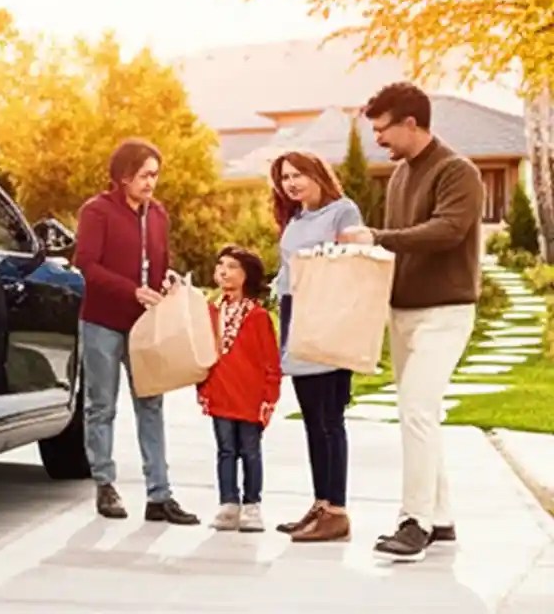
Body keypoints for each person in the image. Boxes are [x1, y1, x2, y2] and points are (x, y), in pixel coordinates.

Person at [339, 82, 484, 563]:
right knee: (422, 414)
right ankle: (440, 517)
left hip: (445, 312)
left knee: (417, 411)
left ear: (410, 123)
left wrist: (377, 236)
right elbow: (402, 245)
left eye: (382, 129)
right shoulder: (400, 176)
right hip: (403, 311)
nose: (377, 138)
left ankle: (413, 521)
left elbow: (446, 231)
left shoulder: (457, 171)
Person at [73, 138, 200, 524]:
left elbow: (160, 262)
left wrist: (168, 281)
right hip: (102, 323)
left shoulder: (158, 214)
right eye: (144, 175)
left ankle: (159, 496)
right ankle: (105, 484)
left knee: (151, 404)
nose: (151, 183)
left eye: (155, 175)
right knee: (102, 406)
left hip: (146, 326)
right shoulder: (96, 212)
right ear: (123, 176)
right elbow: (86, 265)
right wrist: (131, 290)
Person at [270, 151, 365, 543]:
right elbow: (288, 269)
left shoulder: (343, 212)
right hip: (296, 313)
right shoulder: (295, 218)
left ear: (318, 174)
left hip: (327, 314)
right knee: (312, 421)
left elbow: (353, 262)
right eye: (285, 177)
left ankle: (338, 511)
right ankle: (321, 503)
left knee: (330, 420)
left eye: (298, 175)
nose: (291, 183)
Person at [198, 245, 281, 533]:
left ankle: (252, 505)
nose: (224, 271)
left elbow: (271, 361)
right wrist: (203, 388)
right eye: (220, 264)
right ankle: (228, 503)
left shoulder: (257, 317)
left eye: (233, 266)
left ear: (247, 276)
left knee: (250, 450)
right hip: (220, 393)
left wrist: (269, 397)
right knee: (225, 450)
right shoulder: (210, 312)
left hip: (249, 397)